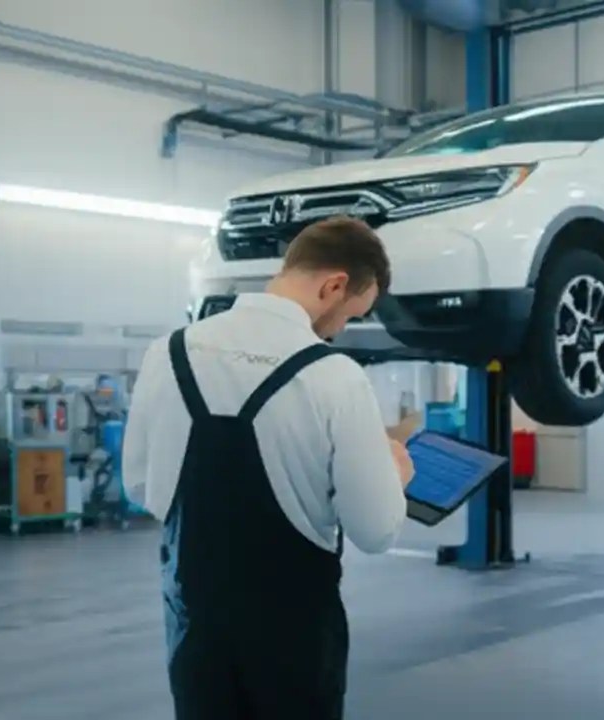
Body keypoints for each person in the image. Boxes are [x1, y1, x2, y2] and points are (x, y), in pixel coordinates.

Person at [122, 215, 416, 719]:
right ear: (334, 286)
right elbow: (375, 530)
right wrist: (394, 473)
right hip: (295, 640)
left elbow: (142, 485)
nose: (342, 329)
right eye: (351, 314)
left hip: (194, 630)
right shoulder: (334, 376)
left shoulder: (165, 354)